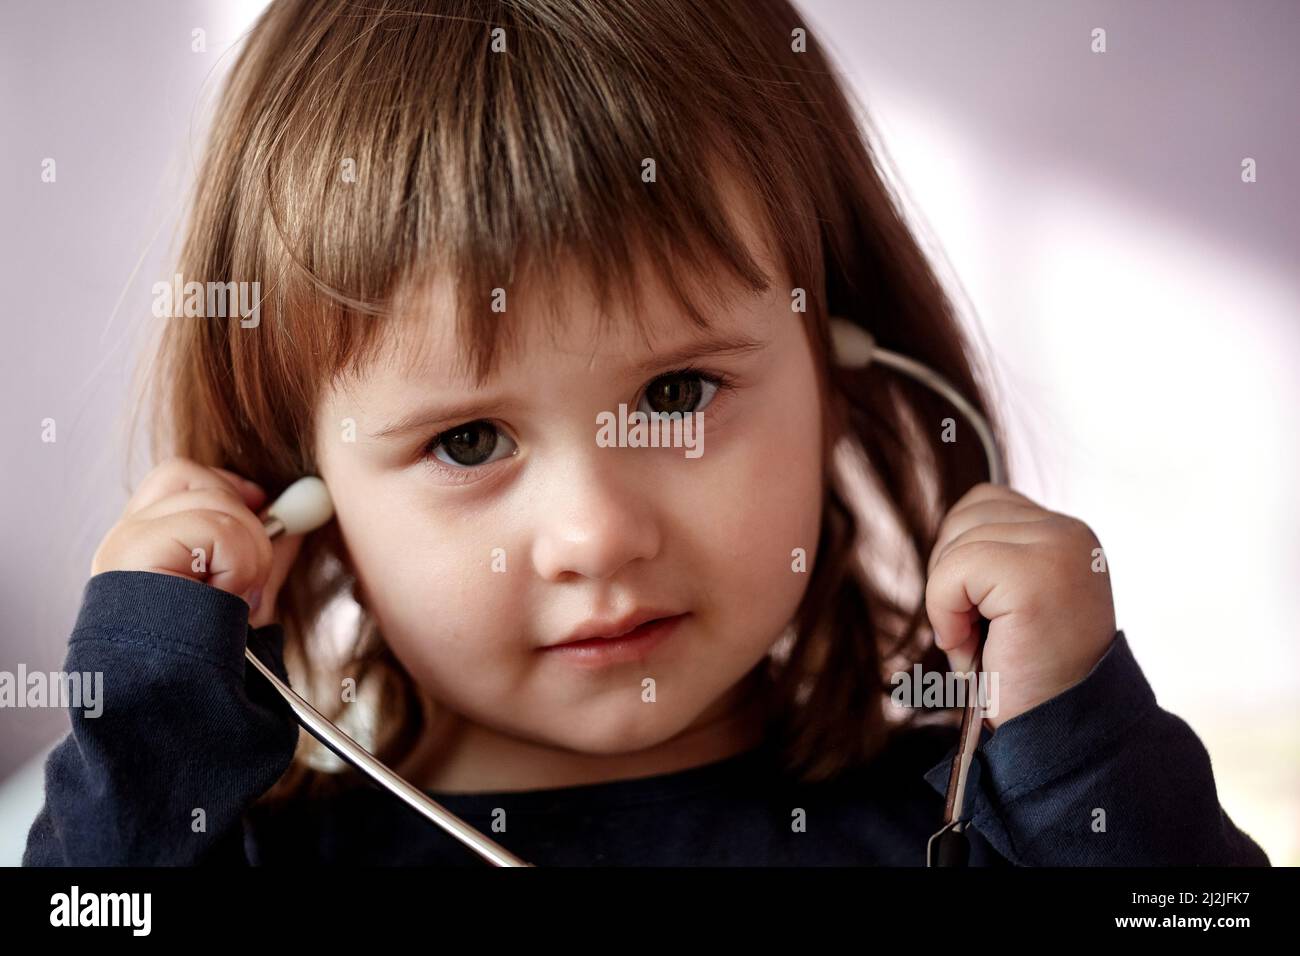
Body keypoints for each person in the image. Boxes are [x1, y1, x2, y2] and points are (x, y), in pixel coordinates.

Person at [24, 0, 1268, 866]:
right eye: (467, 442)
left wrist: (1076, 743)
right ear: (294, 493)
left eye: (676, 396)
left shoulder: (981, 812)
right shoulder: (244, 853)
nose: (596, 534)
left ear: (840, 360)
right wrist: (146, 717)